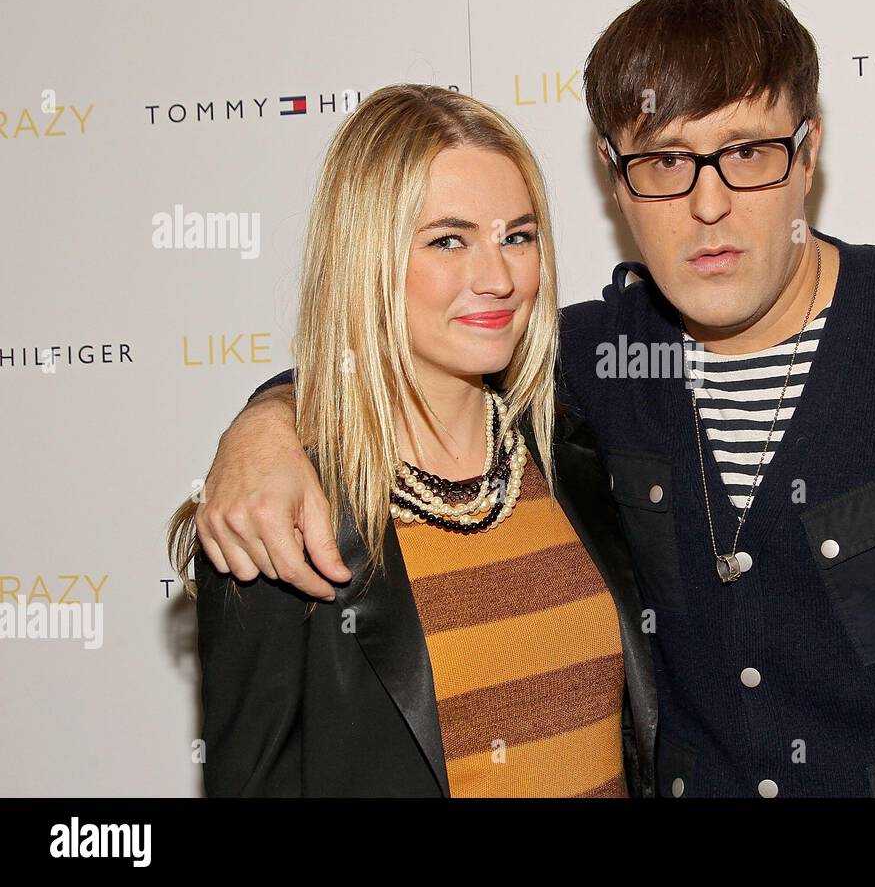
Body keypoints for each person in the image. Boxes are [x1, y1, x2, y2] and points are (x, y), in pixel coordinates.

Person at [194, 0, 875, 798]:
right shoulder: (583, 366)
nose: (708, 205)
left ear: (807, 154)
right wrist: (272, 420)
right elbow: (404, 338)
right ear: (613, 174)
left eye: (747, 153)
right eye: (666, 162)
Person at [167, 84, 655, 797]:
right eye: (448, 240)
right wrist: (268, 425)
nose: (498, 278)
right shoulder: (284, 519)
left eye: (517, 236)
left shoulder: (575, 445)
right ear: (368, 255)